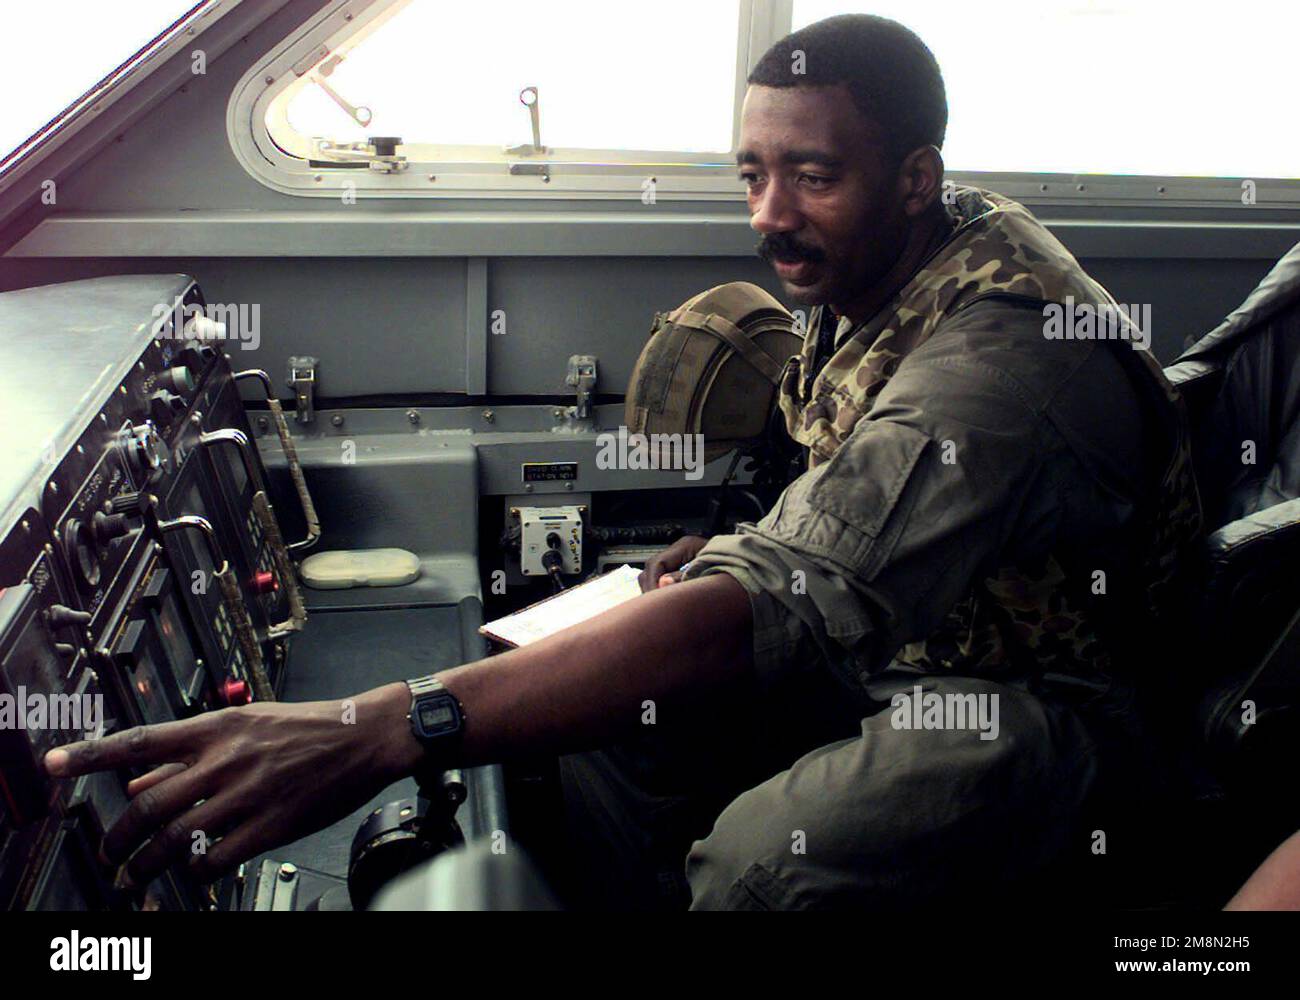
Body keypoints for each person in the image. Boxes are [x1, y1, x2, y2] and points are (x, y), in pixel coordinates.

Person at [44, 14, 1201, 910]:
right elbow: (846, 501)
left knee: (760, 867)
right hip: (911, 635)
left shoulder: (1005, 356)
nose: (768, 214)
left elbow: (804, 587)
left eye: (811, 175)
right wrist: (735, 549)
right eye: (750, 172)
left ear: (914, 176)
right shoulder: (882, 263)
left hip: (1045, 708)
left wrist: (388, 724)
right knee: (602, 717)